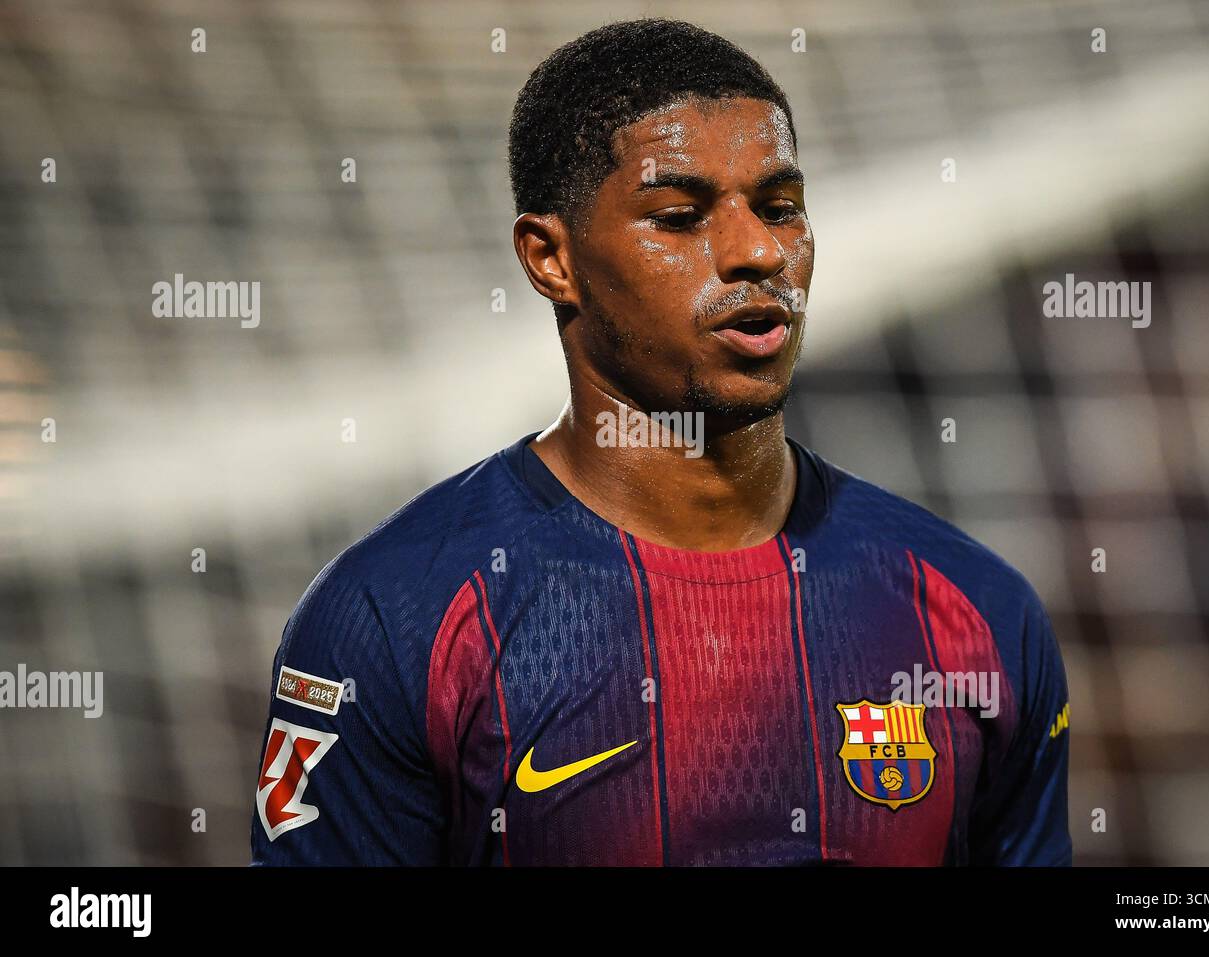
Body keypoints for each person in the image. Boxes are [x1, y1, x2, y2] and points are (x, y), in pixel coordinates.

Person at [251, 17, 1070, 866]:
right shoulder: (397, 617)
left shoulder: (975, 611)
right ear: (550, 259)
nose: (757, 251)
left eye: (781, 208)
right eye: (680, 217)